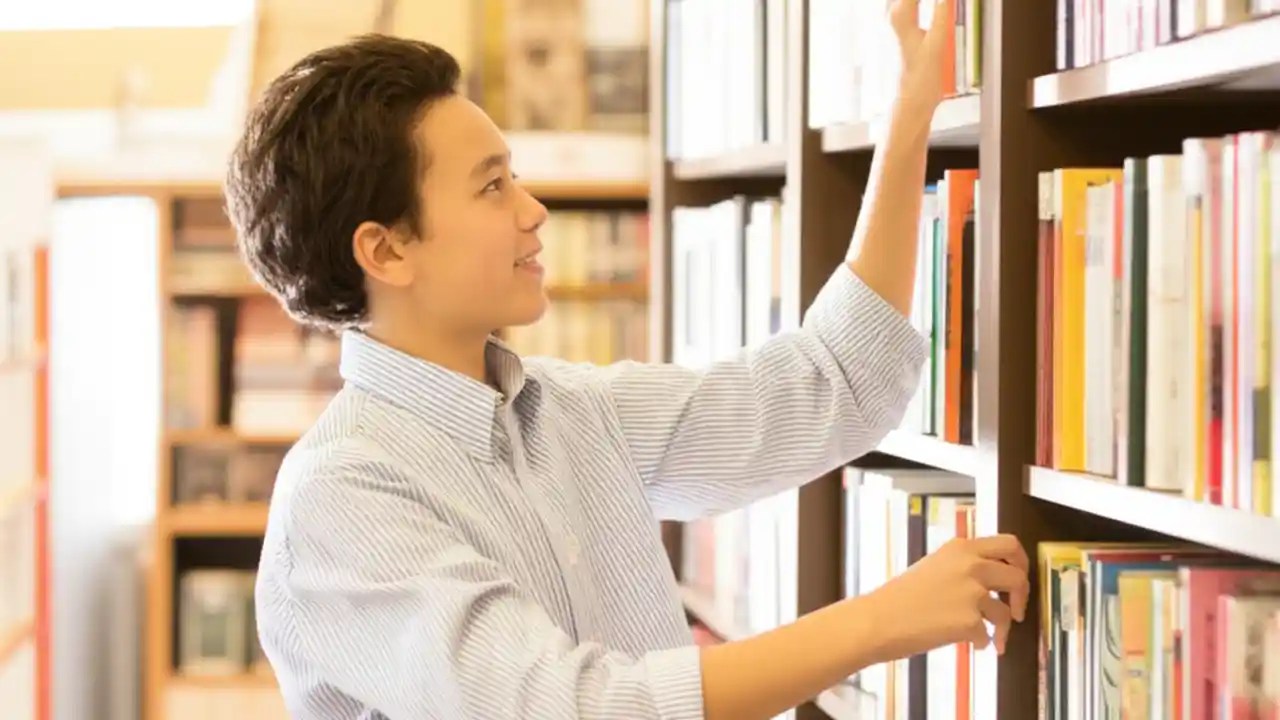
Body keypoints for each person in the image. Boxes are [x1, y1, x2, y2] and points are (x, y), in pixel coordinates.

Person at [224, 1, 1029, 718]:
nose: (534, 210)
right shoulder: (344, 496)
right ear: (387, 250)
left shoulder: (575, 412)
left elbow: (834, 385)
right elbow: (578, 709)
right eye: (492, 187)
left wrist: (912, 115)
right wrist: (882, 621)